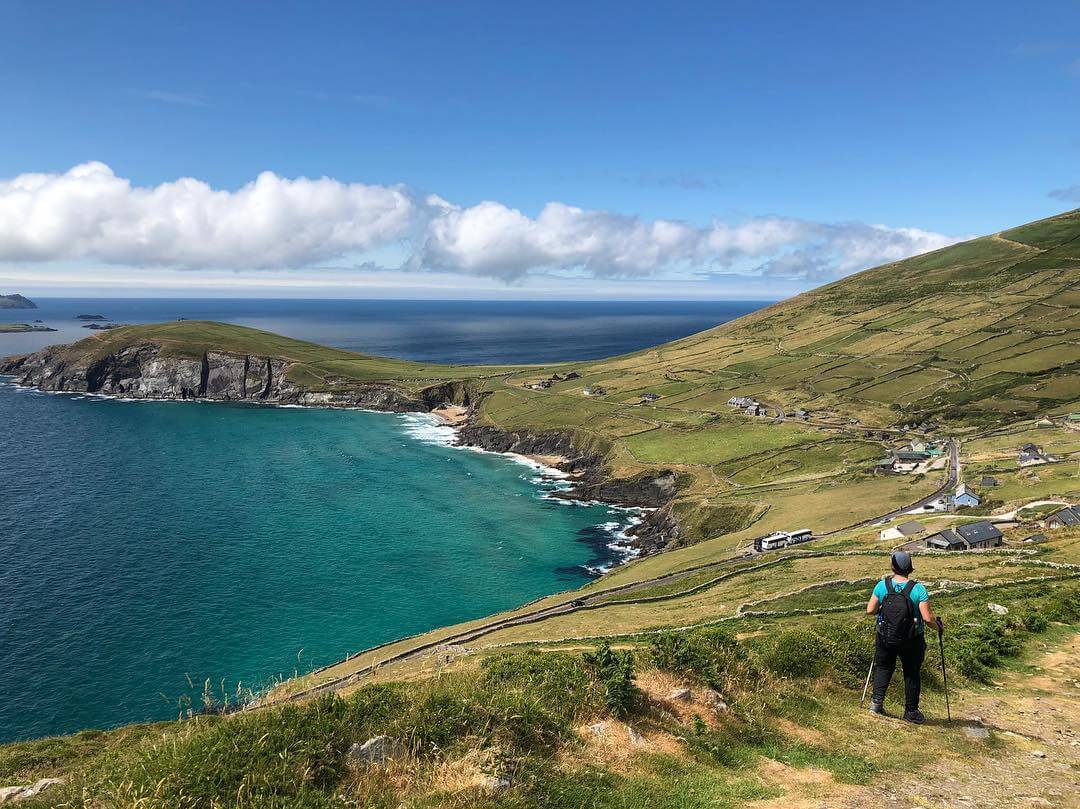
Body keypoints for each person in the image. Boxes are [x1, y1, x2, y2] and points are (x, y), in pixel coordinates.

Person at [865, 550, 941, 723]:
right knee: (911, 673)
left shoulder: (882, 586)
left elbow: (870, 610)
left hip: (885, 635)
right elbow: (928, 618)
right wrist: (938, 627)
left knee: (884, 667)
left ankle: (876, 704)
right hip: (912, 638)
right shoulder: (918, 589)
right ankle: (911, 712)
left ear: (893, 566)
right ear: (910, 568)